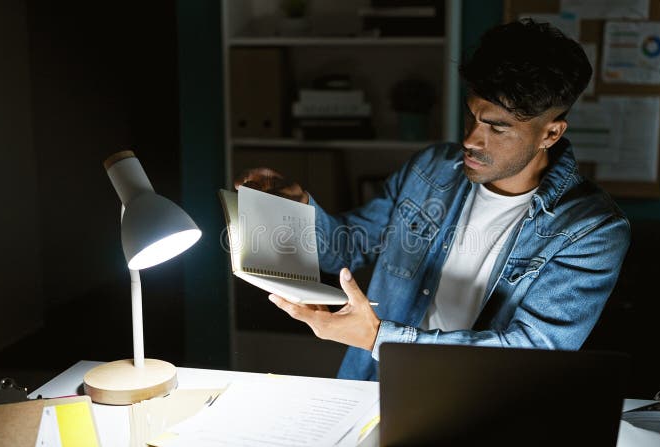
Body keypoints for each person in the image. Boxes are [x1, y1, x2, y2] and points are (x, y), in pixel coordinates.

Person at [236, 19, 630, 381]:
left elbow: (534, 352)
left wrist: (379, 336)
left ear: (551, 134)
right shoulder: (432, 168)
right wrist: (294, 210)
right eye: (472, 116)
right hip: (375, 383)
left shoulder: (591, 230)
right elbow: (346, 249)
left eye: (497, 128)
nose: (471, 140)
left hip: (483, 404)